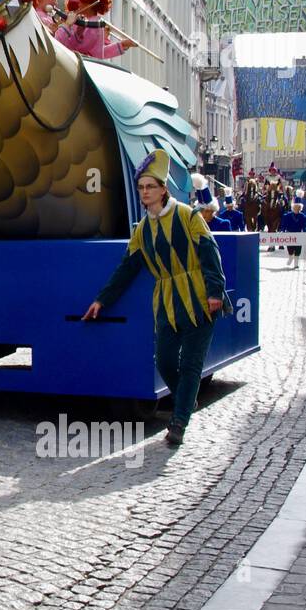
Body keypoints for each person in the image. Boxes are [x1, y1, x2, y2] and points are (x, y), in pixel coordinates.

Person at [83, 149, 226, 447]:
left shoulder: (187, 216)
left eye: (150, 187)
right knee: (163, 360)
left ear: (163, 189)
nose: (145, 192)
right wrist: (103, 299)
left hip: (198, 298)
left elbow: (209, 253)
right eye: (141, 188)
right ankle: (187, 400)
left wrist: (215, 293)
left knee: (190, 365)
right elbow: (128, 268)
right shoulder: (142, 230)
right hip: (166, 301)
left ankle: (178, 422)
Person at [54, 0, 137, 59]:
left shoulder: (93, 25)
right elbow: (99, 52)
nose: (79, 6)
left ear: (90, 3)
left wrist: (68, 27)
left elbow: (75, 48)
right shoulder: (89, 22)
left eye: (81, 2)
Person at [279, 200, 306, 269]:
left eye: (298, 207)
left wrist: (305, 231)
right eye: (295, 207)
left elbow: (305, 226)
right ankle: (290, 257)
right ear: (293, 208)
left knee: (298, 249)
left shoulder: (303, 217)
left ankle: (296, 264)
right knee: (290, 248)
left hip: (298, 235)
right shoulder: (287, 216)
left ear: (300, 208)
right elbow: (284, 225)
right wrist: (282, 231)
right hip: (289, 234)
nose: (296, 209)